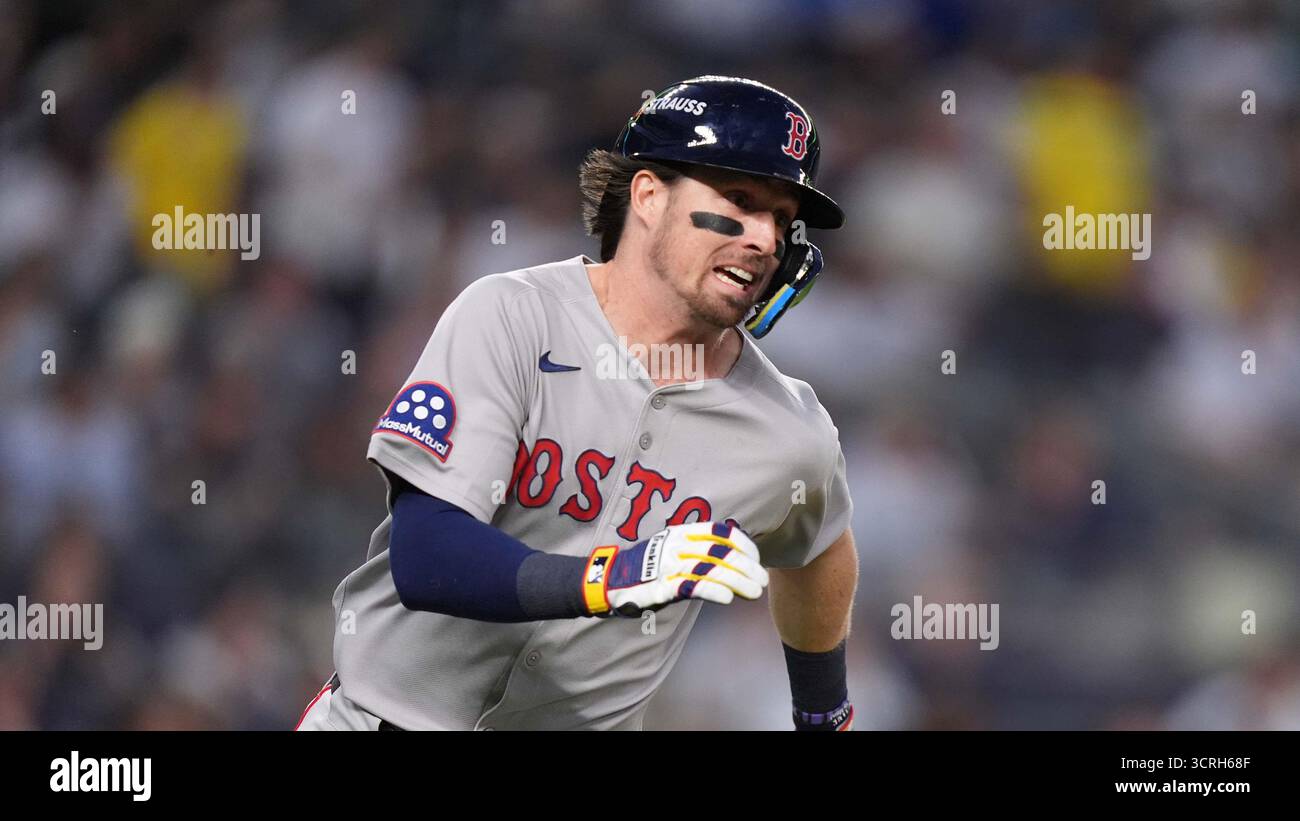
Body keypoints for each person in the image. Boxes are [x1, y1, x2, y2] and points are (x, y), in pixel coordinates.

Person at [296, 76, 858, 731]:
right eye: (740, 199)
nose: (765, 238)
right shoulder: (511, 316)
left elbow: (820, 552)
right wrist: (614, 576)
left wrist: (823, 713)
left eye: (783, 220)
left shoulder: (789, 431)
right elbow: (427, 553)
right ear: (648, 194)